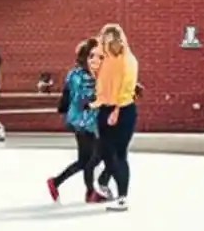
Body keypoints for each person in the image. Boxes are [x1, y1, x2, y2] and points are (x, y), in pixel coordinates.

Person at [46, 38, 114, 203]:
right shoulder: (79, 75)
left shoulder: (88, 74)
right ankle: (90, 192)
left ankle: (59, 183)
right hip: (84, 122)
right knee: (96, 157)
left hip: (87, 121)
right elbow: (81, 98)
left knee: (86, 160)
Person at [94, 23, 139, 212]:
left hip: (123, 109)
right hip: (104, 108)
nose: (109, 43)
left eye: (112, 39)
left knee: (120, 154)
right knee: (106, 152)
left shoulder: (128, 60)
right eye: (105, 39)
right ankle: (104, 179)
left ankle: (122, 197)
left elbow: (127, 88)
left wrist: (117, 110)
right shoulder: (104, 60)